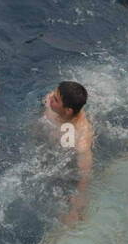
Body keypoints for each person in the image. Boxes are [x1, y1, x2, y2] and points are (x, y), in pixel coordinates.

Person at [39, 81, 94, 223]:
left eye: (56, 99)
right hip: (49, 144)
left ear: (68, 110)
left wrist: (78, 203)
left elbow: (84, 173)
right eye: (54, 94)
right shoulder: (50, 103)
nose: (50, 98)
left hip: (67, 161)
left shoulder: (80, 138)